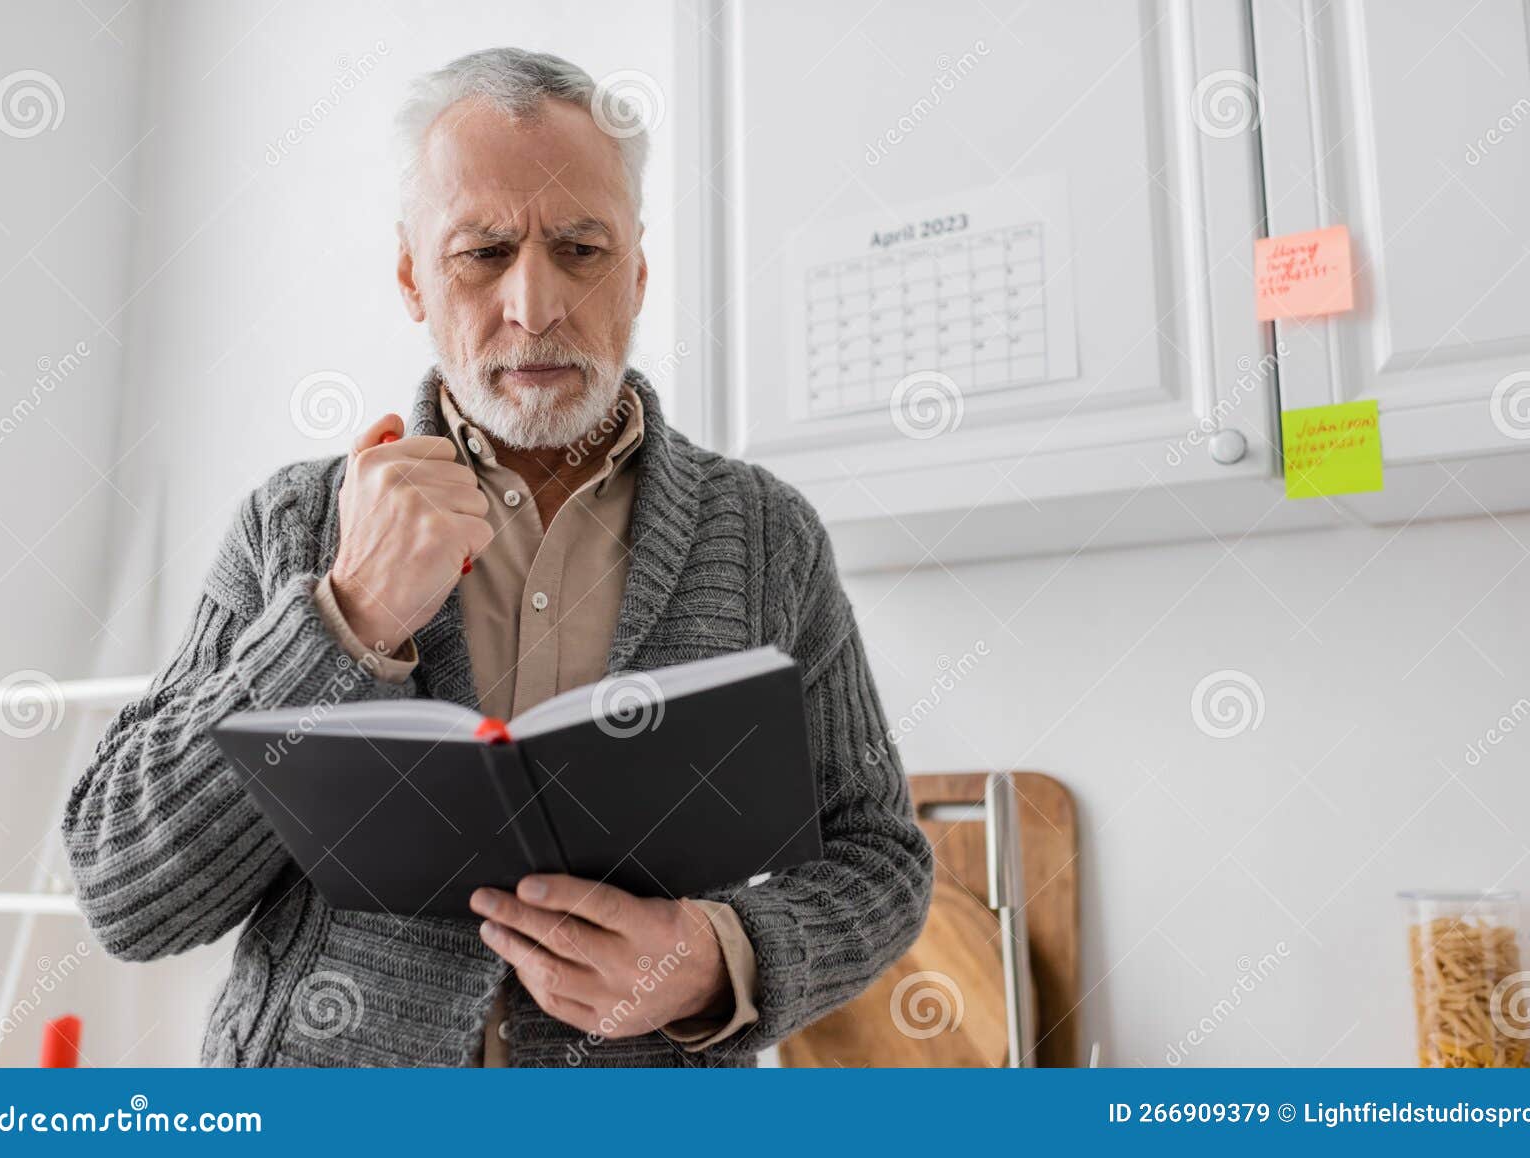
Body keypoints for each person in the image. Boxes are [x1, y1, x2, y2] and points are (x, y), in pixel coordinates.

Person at [61, 46, 932, 1067]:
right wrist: (343, 618)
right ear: (412, 277)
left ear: (637, 273)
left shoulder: (766, 534)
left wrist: (717, 957)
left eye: (580, 248)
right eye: (482, 252)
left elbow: (879, 860)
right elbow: (128, 896)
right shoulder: (291, 523)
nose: (535, 304)